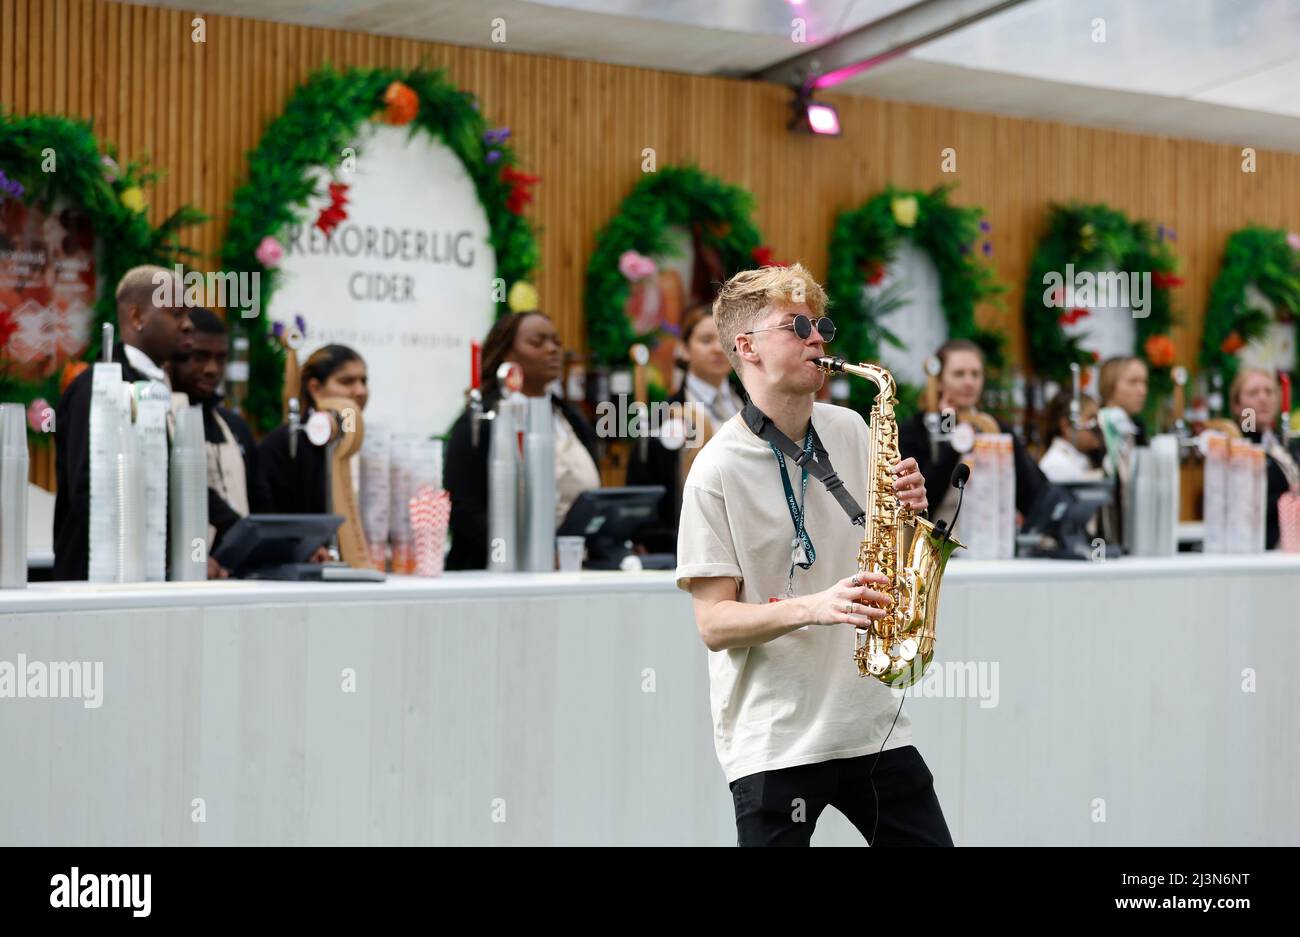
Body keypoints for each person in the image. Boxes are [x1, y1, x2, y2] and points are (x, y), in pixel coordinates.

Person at [675, 263, 950, 847]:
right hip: (776, 741)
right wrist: (814, 607)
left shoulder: (852, 427)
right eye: (796, 326)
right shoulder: (715, 471)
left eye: (821, 324)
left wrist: (912, 513)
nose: (818, 337)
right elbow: (714, 623)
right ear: (746, 347)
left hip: (873, 724)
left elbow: (884, 546)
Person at [53, 265, 193, 581]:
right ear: (136, 317)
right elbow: (89, 490)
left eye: (188, 314)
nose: (187, 325)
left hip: (149, 573)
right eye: (176, 313)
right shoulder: (97, 387)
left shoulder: (163, 387)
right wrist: (166, 556)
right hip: (94, 579)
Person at [444, 312, 600, 570]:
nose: (552, 350)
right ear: (507, 354)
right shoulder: (481, 420)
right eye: (537, 343)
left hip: (570, 567)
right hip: (493, 571)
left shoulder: (570, 418)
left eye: (557, 342)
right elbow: (464, 511)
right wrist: (522, 554)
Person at [897, 338, 1049, 530]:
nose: (969, 382)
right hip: (939, 546)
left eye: (976, 374)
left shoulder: (996, 428)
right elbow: (924, 500)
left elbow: (1034, 496)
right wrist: (950, 427)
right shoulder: (915, 430)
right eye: (959, 374)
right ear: (940, 380)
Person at [627, 307, 743, 554]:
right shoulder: (663, 415)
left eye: (724, 340)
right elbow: (645, 482)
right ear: (684, 348)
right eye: (705, 340)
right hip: (686, 541)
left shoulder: (753, 405)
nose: (717, 349)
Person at [167, 308, 273, 571]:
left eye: (220, 359)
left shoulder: (235, 426)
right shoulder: (159, 420)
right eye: (199, 357)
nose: (212, 369)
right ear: (171, 360)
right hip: (182, 575)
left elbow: (262, 506)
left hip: (241, 575)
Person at [258, 344, 368, 515]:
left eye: (363, 381)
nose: (361, 391)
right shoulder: (286, 443)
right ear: (315, 388)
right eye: (347, 381)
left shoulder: (364, 440)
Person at [1230, 368, 1299, 549]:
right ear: (1237, 405)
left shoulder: (1283, 443)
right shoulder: (1238, 446)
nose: (1263, 398)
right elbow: (1245, 505)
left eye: (1269, 392)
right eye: (1253, 393)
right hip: (1257, 547)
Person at [1038, 390, 1105, 483]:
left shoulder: (1079, 458)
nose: (1098, 425)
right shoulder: (1056, 466)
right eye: (1091, 418)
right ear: (1067, 426)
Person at [1099, 355, 1150, 446]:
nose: (1143, 391)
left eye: (1144, 382)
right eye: (1132, 382)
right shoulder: (1097, 429)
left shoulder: (1137, 427)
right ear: (1109, 384)